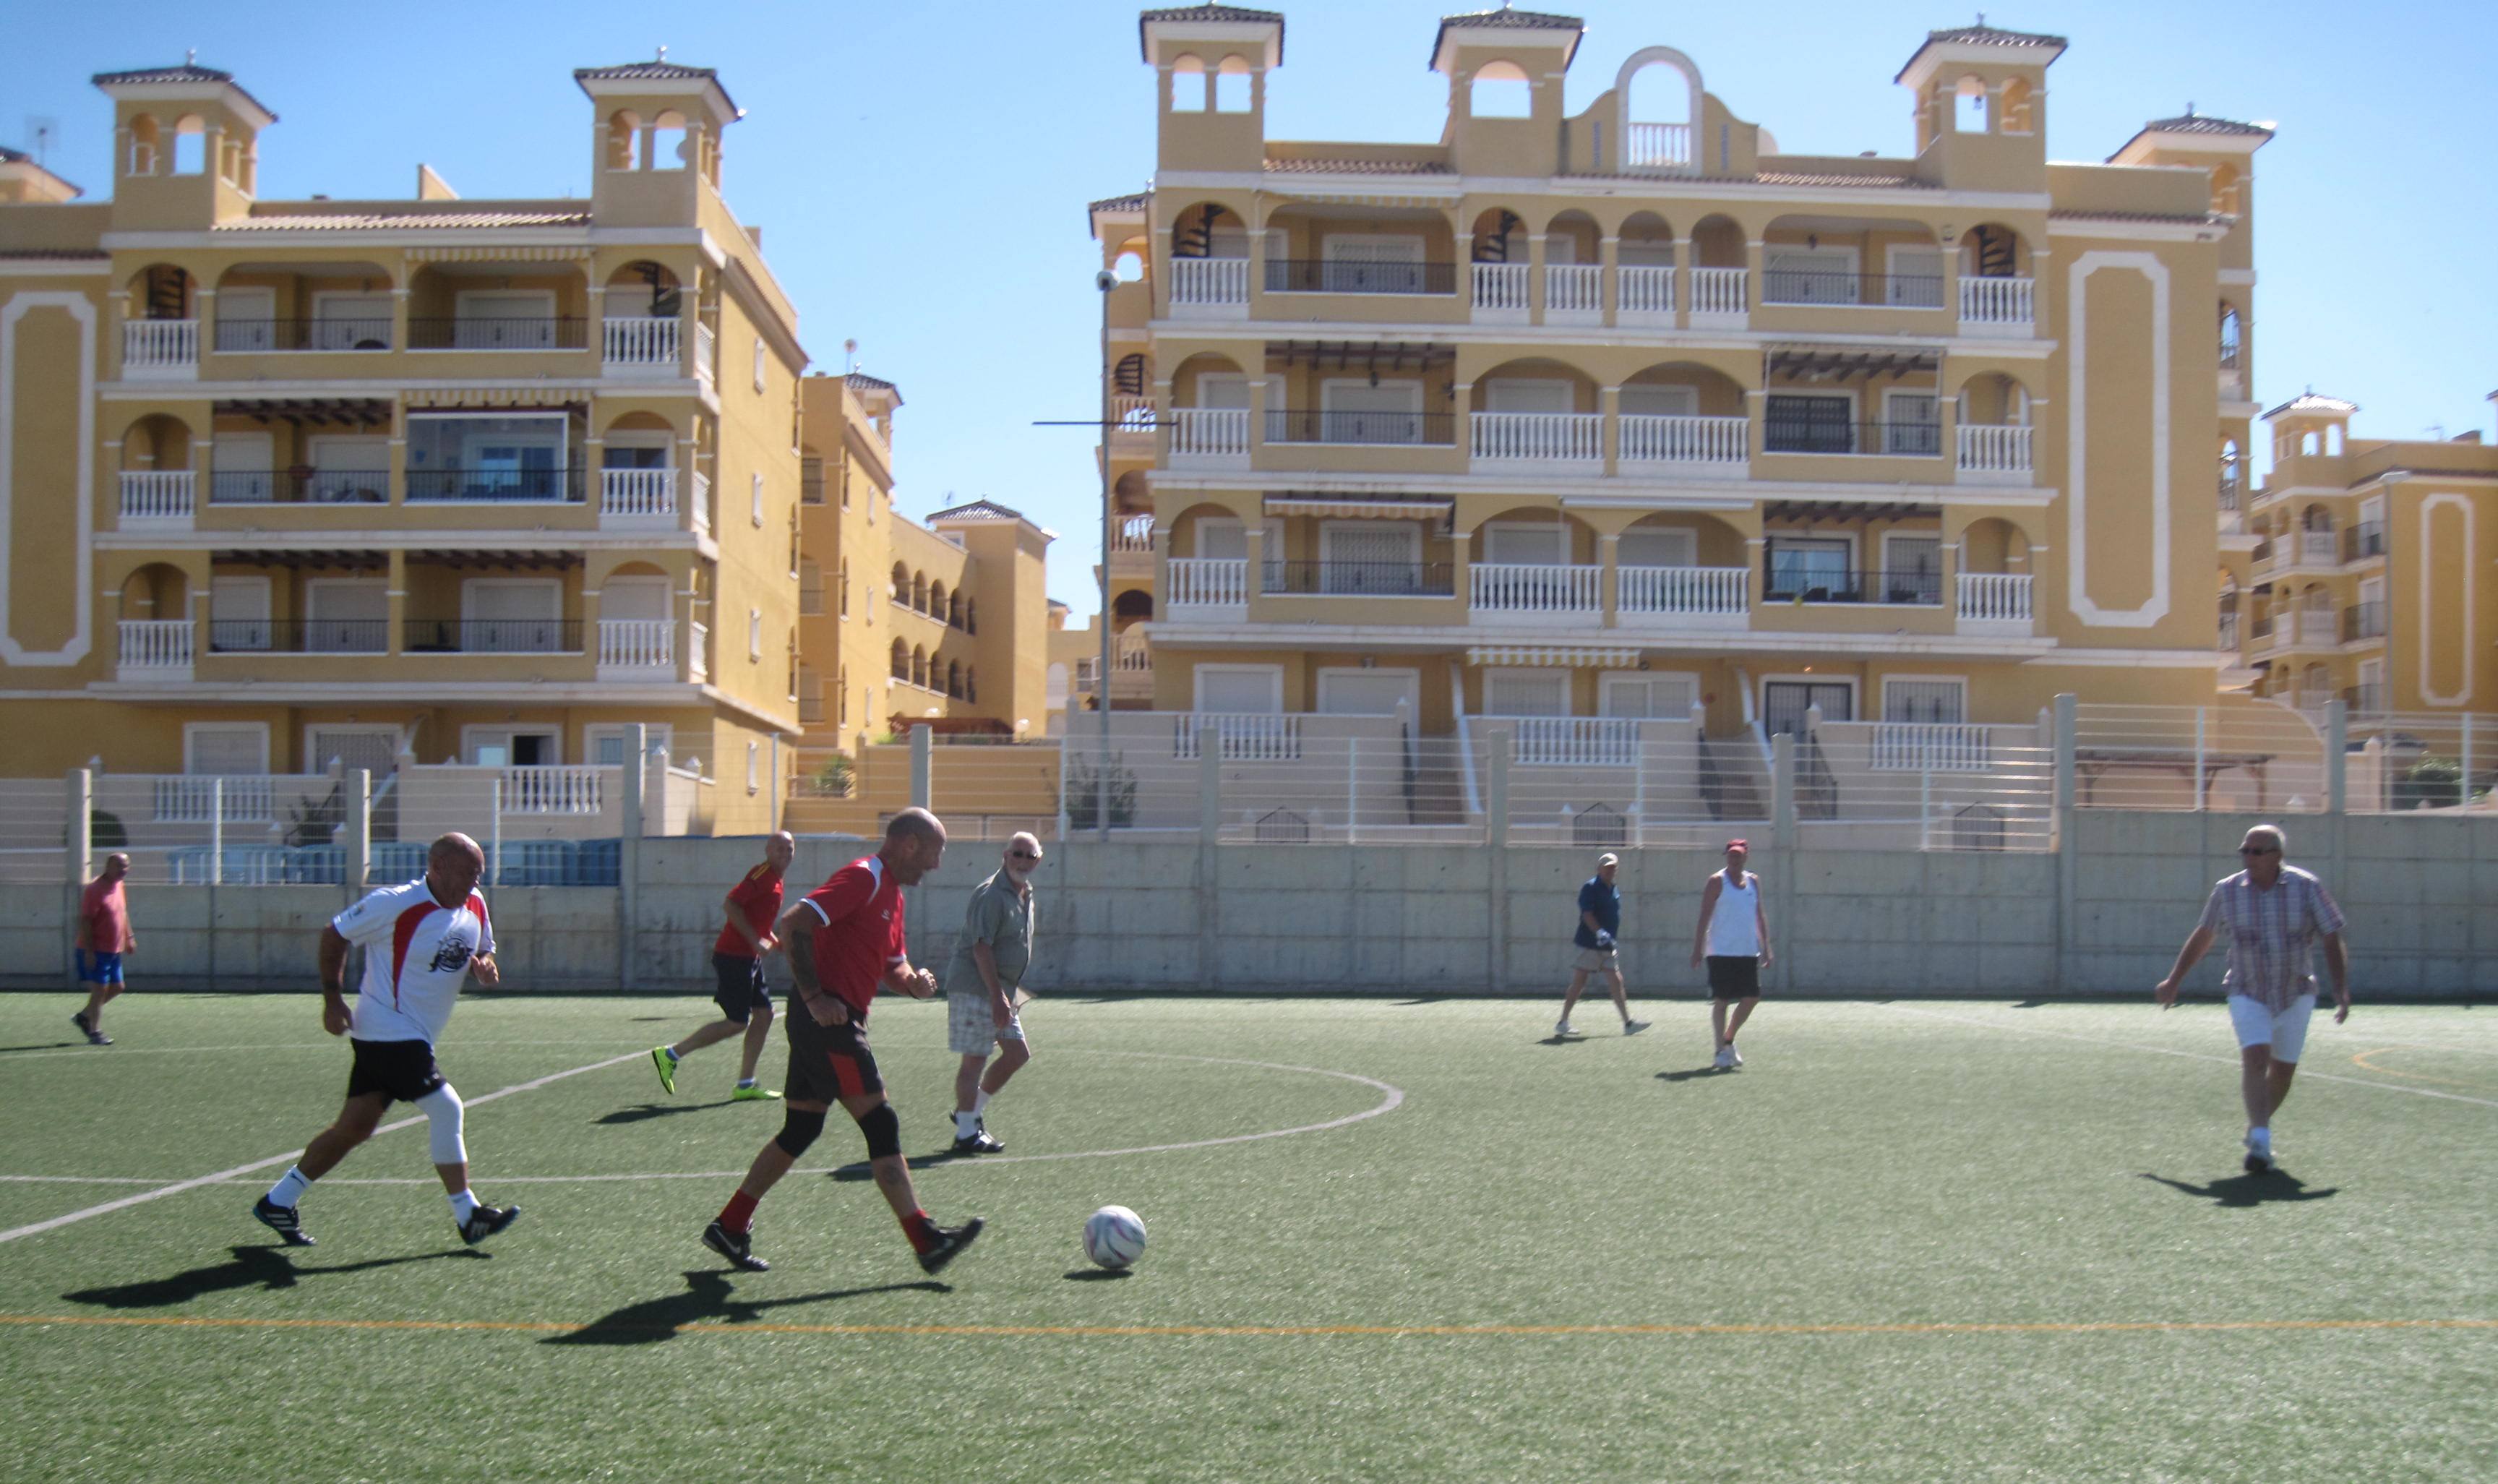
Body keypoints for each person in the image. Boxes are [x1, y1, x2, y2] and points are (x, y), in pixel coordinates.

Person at [700, 808, 982, 1276]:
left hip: (829, 1021)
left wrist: (913, 982)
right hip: (829, 1022)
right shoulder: (864, 877)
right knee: (880, 1123)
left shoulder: (892, 893)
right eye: (935, 853)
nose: (935, 865)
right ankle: (925, 1238)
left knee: (801, 1129)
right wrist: (813, 995)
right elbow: (794, 924)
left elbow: (893, 965)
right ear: (910, 844)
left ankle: (729, 1226)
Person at [251, 833, 518, 1248]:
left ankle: (278, 1201)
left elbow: (482, 952)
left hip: (413, 1036)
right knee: (447, 1108)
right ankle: (468, 1215)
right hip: (387, 1029)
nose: (475, 883)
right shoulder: (395, 903)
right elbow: (334, 934)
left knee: (354, 1128)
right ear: (439, 866)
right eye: (468, 873)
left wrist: (484, 967)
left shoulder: (475, 905)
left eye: (479, 875)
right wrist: (332, 998)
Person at [2155, 823, 2349, 1173]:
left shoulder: (2307, 888)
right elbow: (2203, 935)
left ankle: (2255, 1124)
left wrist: (2341, 989)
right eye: (2244, 851)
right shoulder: (2227, 891)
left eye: (2257, 852)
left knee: (2283, 1072)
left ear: (2277, 857)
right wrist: (2174, 979)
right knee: (2256, 1058)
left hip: (2295, 990)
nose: (2248, 857)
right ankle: (2261, 1142)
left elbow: (2332, 937)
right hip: (2247, 989)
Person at [650, 831, 795, 1102]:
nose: (785, 854)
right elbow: (731, 905)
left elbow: (758, 917)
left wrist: (773, 941)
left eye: (789, 849)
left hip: (749, 959)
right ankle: (670, 1055)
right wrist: (754, 940)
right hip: (733, 957)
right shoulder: (762, 874)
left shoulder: (776, 878)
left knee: (764, 1016)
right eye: (780, 848)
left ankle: (745, 1083)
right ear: (767, 850)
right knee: (737, 1022)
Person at [943, 833, 1042, 1154]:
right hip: (977, 986)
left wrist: (1008, 995)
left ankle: (968, 1113)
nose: (1023, 861)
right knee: (975, 1058)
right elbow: (981, 948)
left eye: (1030, 856)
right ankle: (966, 1134)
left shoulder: (1025, 893)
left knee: (1017, 1054)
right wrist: (998, 997)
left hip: (1002, 989)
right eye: (1018, 854)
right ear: (1005, 855)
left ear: (1038, 861)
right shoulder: (990, 894)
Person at [1691, 838, 1773, 1069]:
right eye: (1731, 855)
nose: (1734, 859)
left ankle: (1728, 1040)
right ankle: (1719, 1051)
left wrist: (1766, 947)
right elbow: (1704, 916)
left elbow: (1759, 916)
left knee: (1752, 998)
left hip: (1747, 951)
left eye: (1738, 855)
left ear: (1746, 856)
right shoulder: (1717, 881)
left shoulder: (1753, 881)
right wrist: (1697, 949)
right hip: (1721, 951)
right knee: (1722, 1001)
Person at [1557, 852, 1649, 1038]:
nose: (1610, 870)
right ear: (1599, 869)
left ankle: (1628, 1023)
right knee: (1579, 982)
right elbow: (1587, 914)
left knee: (1617, 981)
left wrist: (1608, 937)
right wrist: (1599, 932)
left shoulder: (1613, 888)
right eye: (1607, 867)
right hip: (1589, 944)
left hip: (1607, 946)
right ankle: (1563, 1022)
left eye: (1613, 867)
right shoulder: (1590, 887)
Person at [72, 852, 134, 1046]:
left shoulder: (119, 886)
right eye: (118, 866)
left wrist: (129, 936)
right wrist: (90, 952)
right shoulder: (95, 889)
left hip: (113, 949)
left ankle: (84, 1016)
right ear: (108, 866)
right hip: (95, 949)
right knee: (100, 990)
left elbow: (123, 913)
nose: (122, 870)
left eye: (125, 867)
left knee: (118, 987)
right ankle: (95, 1031)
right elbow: (86, 921)